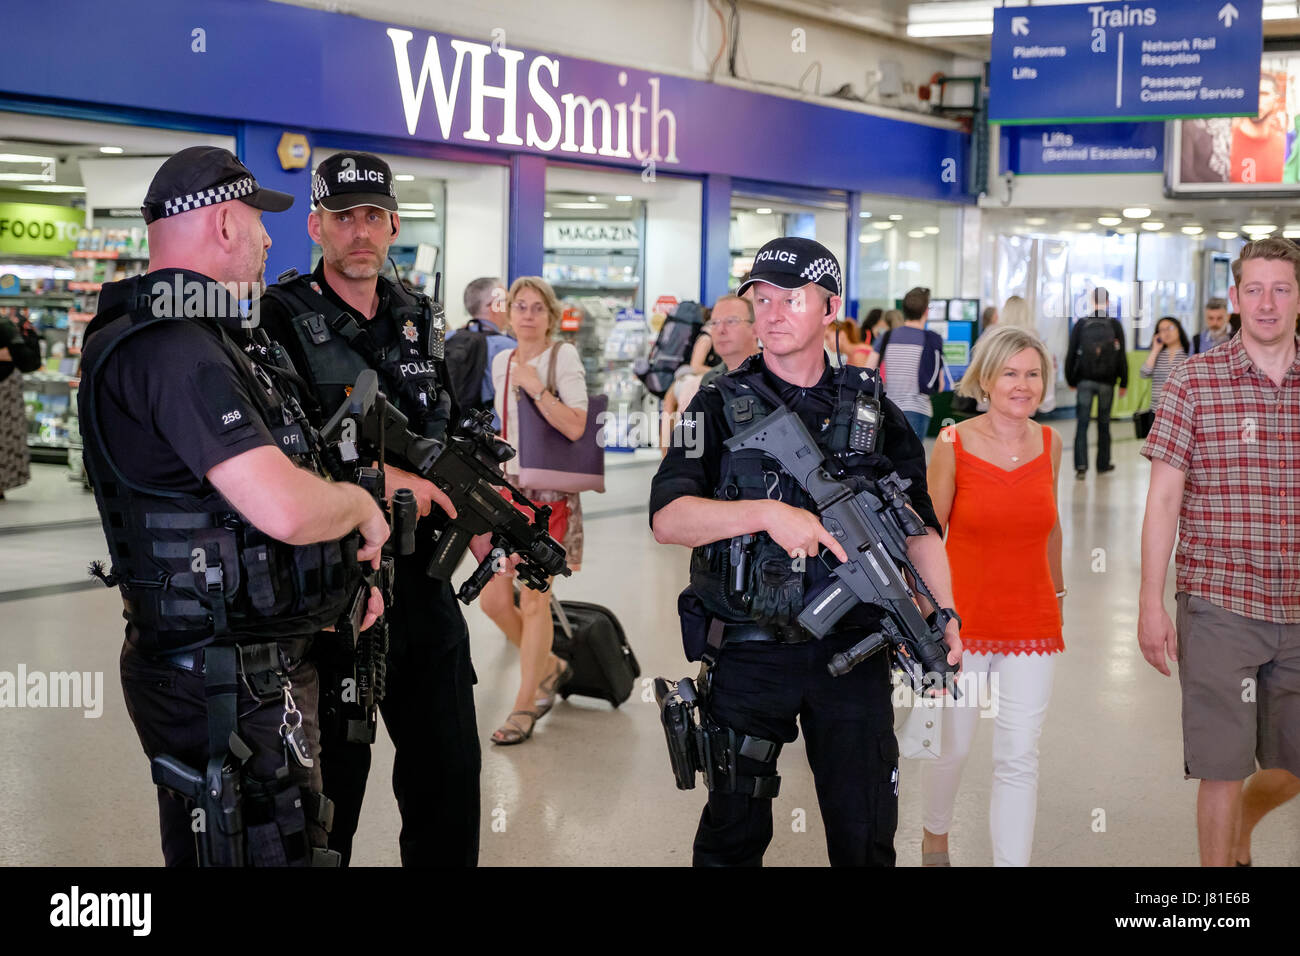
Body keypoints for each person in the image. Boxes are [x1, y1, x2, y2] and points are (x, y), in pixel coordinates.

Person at [78, 146, 387, 866]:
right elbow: (280, 506)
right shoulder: (175, 349)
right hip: (222, 676)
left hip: (231, 660)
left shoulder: (189, 335)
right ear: (222, 226)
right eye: (256, 221)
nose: (268, 238)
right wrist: (357, 508)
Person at [650, 237, 962, 866]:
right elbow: (667, 517)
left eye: (789, 297)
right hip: (748, 652)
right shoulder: (713, 404)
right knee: (732, 832)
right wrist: (767, 513)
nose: (771, 312)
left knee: (866, 829)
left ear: (830, 307)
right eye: (760, 299)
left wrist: (941, 612)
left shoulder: (874, 406)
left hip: (855, 651)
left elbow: (921, 529)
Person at [257, 150, 480, 867]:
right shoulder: (278, 319)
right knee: (333, 790)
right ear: (317, 226)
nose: (361, 232)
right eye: (344, 217)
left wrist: (474, 487)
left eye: (374, 217)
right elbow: (273, 455)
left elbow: (449, 420)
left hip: (423, 576)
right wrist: (384, 480)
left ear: (394, 225)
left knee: (448, 773)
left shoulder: (421, 316)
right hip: (334, 587)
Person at [1138, 237, 1300, 867]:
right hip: (1220, 601)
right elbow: (1162, 500)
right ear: (1234, 299)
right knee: (1222, 767)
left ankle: (1242, 831)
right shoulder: (1194, 380)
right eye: (1254, 289)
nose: (1266, 303)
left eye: (1281, 289)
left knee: (1289, 765)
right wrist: (1150, 604)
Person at [922, 326, 1064, 867]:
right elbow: (929, 534)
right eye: (1011, 372)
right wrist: (930, 616)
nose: (1023, 385)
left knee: (1018, 755)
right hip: (962, 621)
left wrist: (1059, 594)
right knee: (952, 747)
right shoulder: (953, 442)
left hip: (1032, 618)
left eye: (1033, 373)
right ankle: (935, 835)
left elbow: (1052, 530)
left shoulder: (1050, 443)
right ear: (986, 378)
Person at [478, 276, 589, 745]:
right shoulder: (501, 359)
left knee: (534, 598)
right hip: (507, 490)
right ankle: (550, 665)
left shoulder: (562, 358)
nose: (527, 314)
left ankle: (524, 705)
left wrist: (537, 389)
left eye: (536, 308)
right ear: (507, 313)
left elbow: (579, 426)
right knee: (492, 599)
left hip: (548, 495)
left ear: (550, 315)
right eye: (519, 306)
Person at [1064, 287, 1127, 480]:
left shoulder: (1081, 324)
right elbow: (1121, 355)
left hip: (1084, 380)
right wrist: (1123, 381)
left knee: (1082, 423)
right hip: (1107, 382)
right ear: (1108, 302)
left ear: (1092, 301)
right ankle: (1103, 463)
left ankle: (1081, 466)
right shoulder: (1114, 325)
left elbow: (1072, 352)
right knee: (1104, 423)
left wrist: (1070, 378)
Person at [867, 287, 946, 440]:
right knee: (911, 461)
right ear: (926, 312)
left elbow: (868, 370)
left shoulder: (886, 337)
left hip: (887, 409)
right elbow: (940, 385)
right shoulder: (932, 340)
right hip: (918, 410)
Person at [445, 276, 515, 426]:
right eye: (507, 302)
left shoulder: (448, 338)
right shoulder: (507, 347)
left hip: (452, 431)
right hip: (491, 437)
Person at [0, 308, 42, 499]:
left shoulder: (6, 326)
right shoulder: (7, 325)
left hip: (5, 385)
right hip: (7, 383)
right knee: (7, 435)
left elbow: (14, 355)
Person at [1230, 73, 1287, 184]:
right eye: (1250, 93)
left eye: (1264, 94)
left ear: (1276, 100)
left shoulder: (1286, 146)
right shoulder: (1223, 145)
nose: (1256, 99)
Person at [698, 294, 760, 389]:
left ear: (755, 329)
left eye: (731, 321)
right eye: (714, 323)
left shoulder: (776, 375)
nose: (720, 330)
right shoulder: (710, 379)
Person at [1139, 316, 1189, 411]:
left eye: (1170, 328)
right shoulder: (1158, 354)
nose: (1166, 332)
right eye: (1161, 330)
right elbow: (1144, 373)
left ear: (1179, 329)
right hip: (1156, 409)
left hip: (1180, 410)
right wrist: (1155, 350)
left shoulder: (1188, 353)